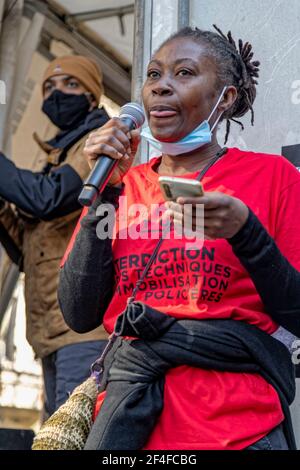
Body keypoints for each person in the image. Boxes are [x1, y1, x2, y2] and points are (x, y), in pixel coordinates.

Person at [58, 27, 300, 450]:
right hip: (129, 428)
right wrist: (105, 194)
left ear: (224, 97)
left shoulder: (274, 177)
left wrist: (247, 234)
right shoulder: (120, 184)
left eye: (184, 72)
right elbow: (79, 313)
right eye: (153, 75)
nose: (161, 85)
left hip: (238, 428)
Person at [0, 55, 109, 417]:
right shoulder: (56, 159)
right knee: (56, 434)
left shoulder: (98, 145)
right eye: (49, 87)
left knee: (72, 435)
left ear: (92, 97)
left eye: (70, 85)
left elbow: (48, 199)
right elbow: (26, 253)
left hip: (84, 331)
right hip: (48, 334)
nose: (56, 93)